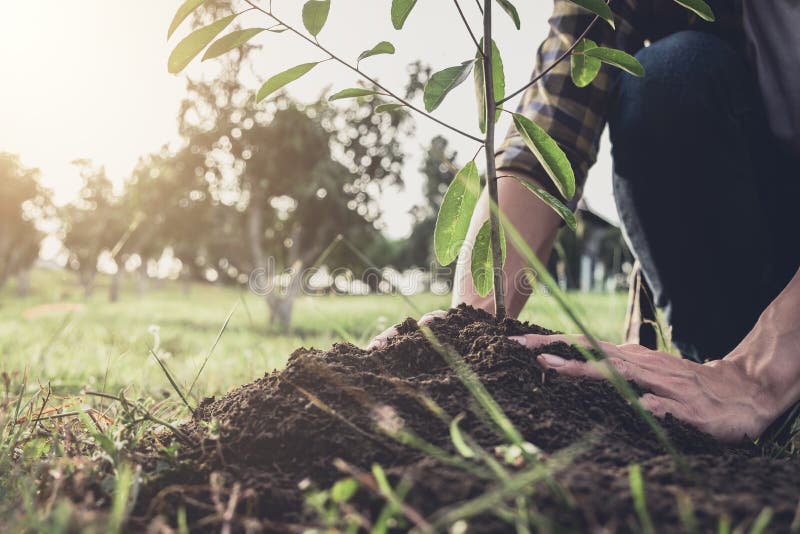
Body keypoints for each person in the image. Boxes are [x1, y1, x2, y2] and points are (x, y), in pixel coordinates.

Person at [370, 0, 800, 443]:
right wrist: (470, 329)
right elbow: (551, 130)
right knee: (671, 75)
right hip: (753, 241)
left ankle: (766, 381)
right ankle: (719, 361)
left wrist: (757, 376)